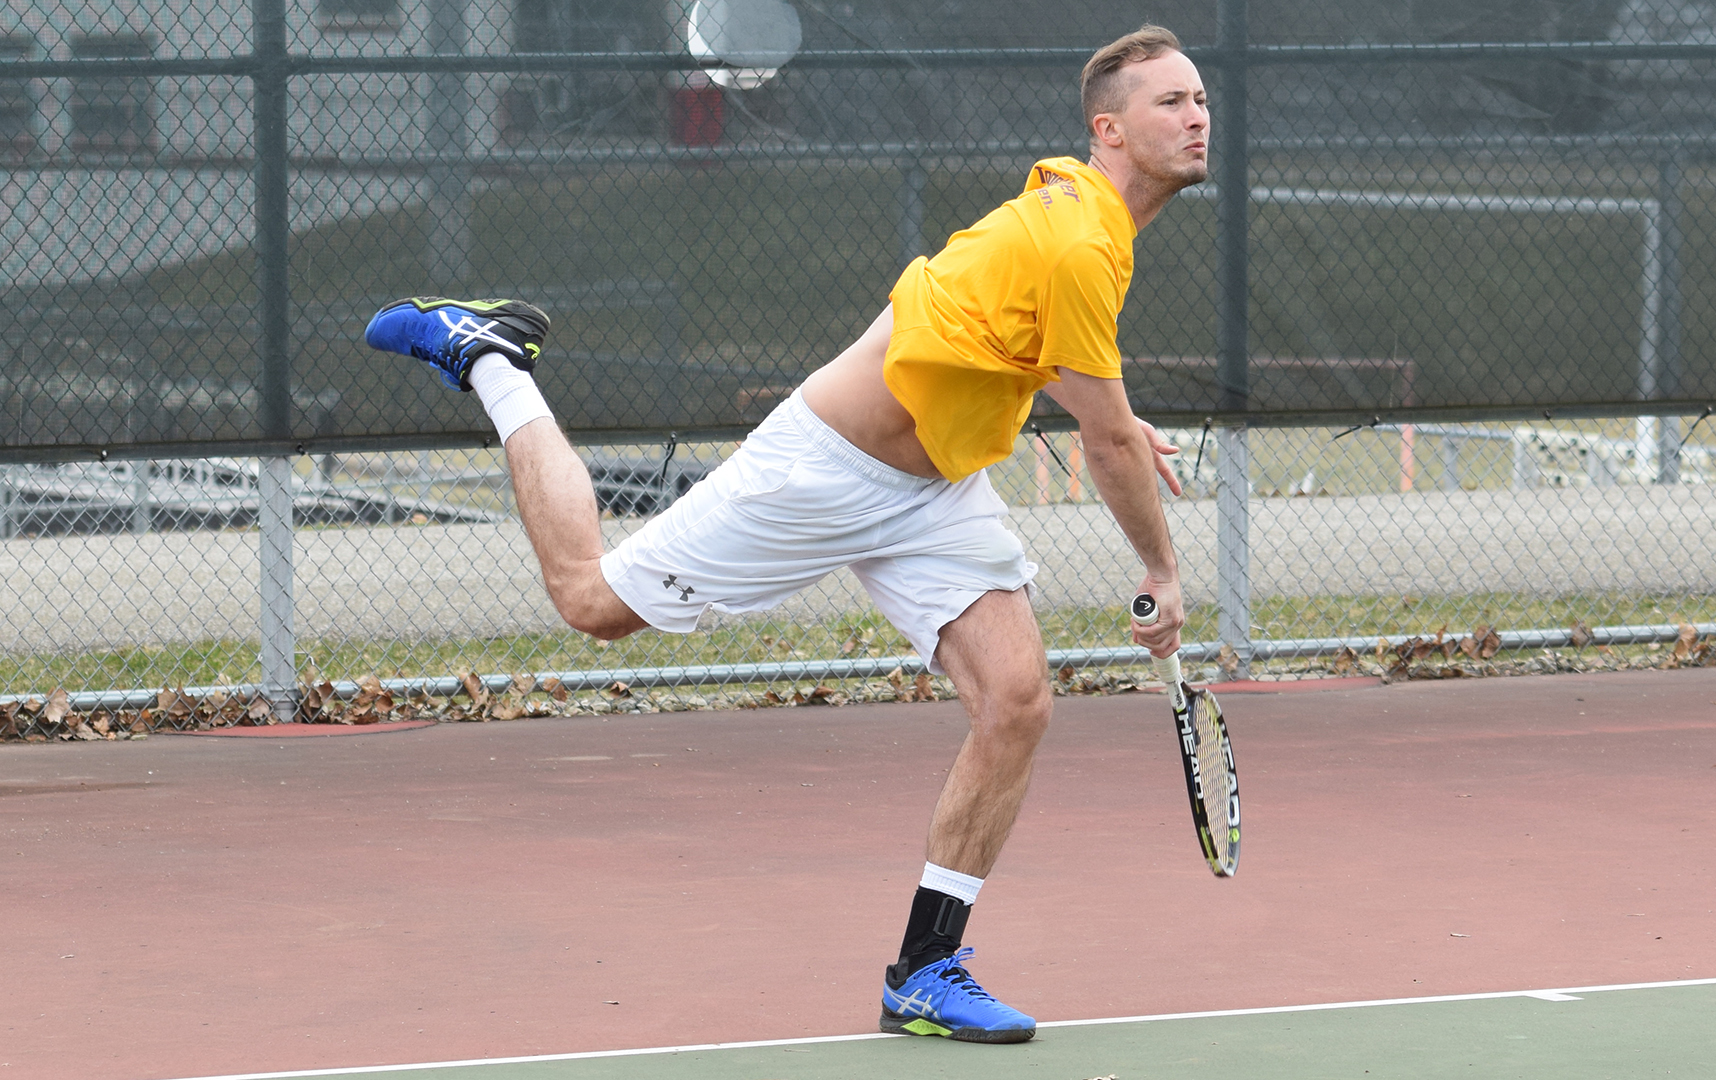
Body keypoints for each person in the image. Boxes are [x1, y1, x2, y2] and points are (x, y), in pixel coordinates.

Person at [363, 24, 1208, 1045]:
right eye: (1171, 102)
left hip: (936, 488)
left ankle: (925, 971)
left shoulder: (1093, 230)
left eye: (1200, 97)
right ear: (1108, 130)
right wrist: (1159, 567)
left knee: (1017, 702)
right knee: (589, 601)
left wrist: (1107, 410)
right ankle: (489, 356)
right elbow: (1107, 445)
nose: (1198, 114)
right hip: (824, 469)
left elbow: (1047, 367)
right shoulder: (1080, 237)